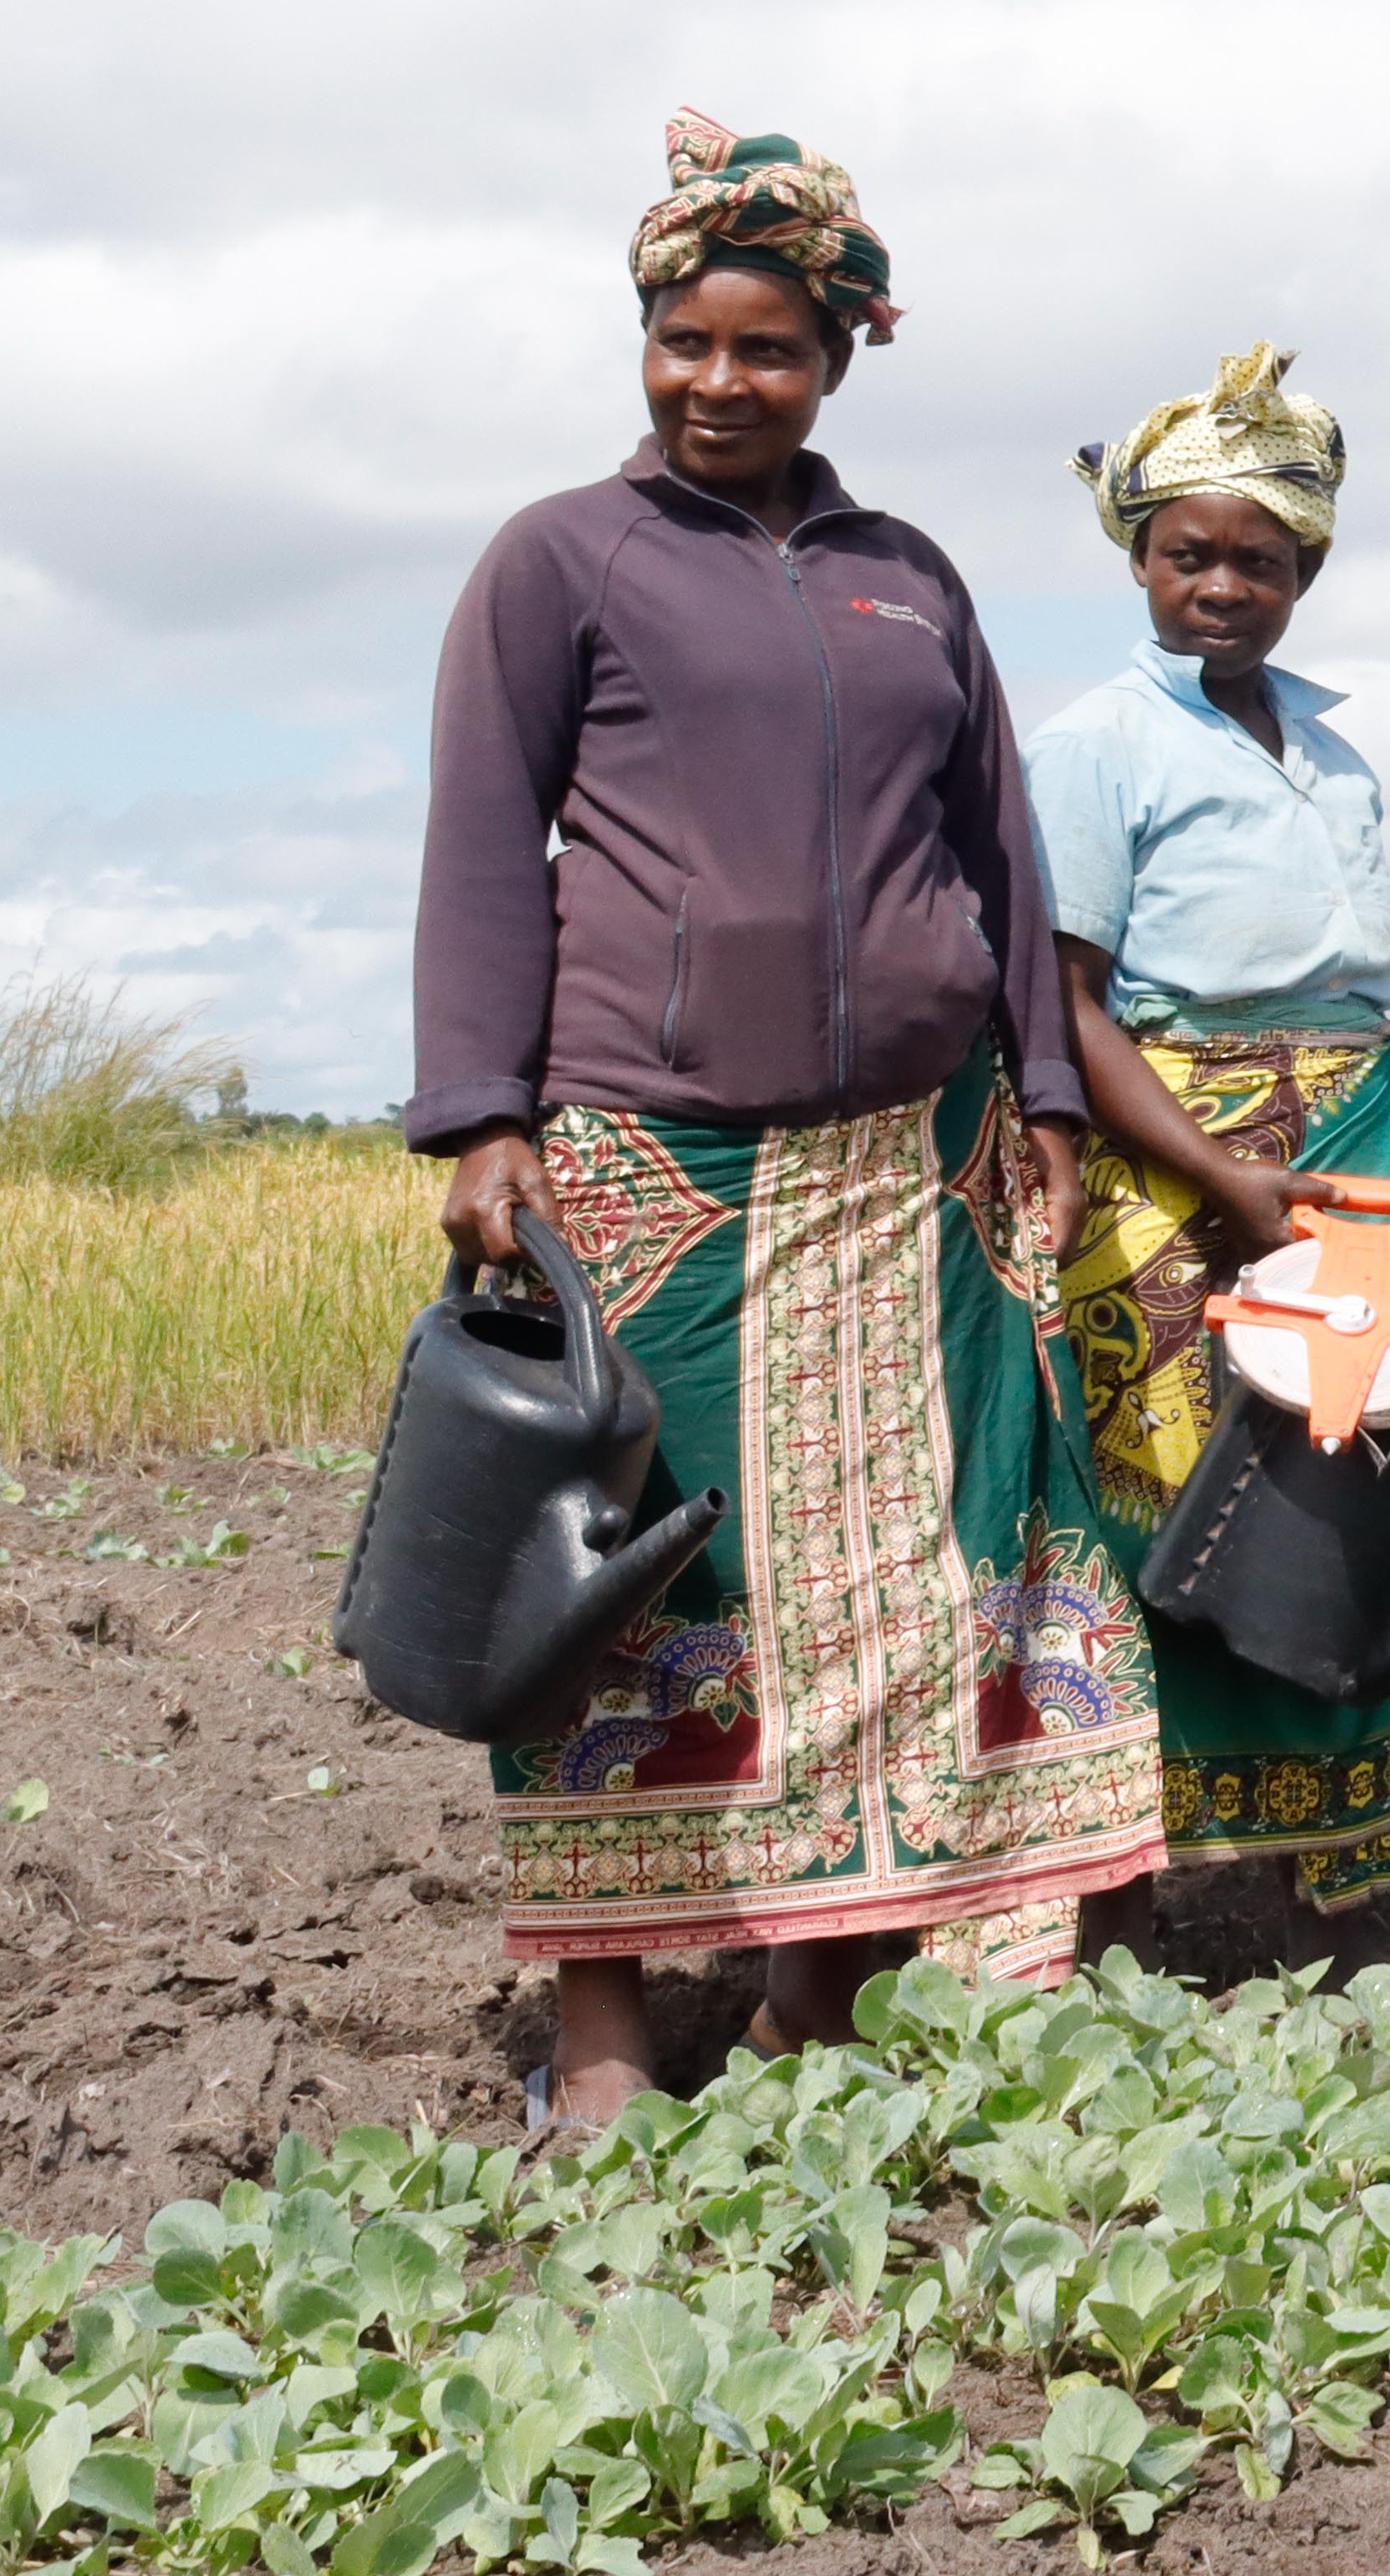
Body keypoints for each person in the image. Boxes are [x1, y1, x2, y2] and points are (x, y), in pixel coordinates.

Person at [410, 114, 1148, 2126]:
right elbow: (488, 843)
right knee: (634, 1589)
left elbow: (996, 849)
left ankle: (822, 1991)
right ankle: (604, 2033)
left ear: (836, 362)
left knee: (909, 1581)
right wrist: (485, 1117)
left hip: (918, 1162)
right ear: (645, 338)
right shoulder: (563, 559)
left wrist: (1052, 1091)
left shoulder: (908, 582)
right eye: (687, 343)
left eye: (768, 350)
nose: (720, 383)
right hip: (659, 1162)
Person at [1028, 347, 1390, 1936]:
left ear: (1308, 573)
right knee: (1183, 1497)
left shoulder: (1331, 746)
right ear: (1137, 559)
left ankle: (1334, 1873)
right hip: (1182, 1178)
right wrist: (1224, 1179)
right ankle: (1135, 1890)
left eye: (1258, 561)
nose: (1222, 585)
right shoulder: (1096, 746)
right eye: (1187, 554)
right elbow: (1066, 1001)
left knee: (1344, 1474)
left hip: (1347, 1152)